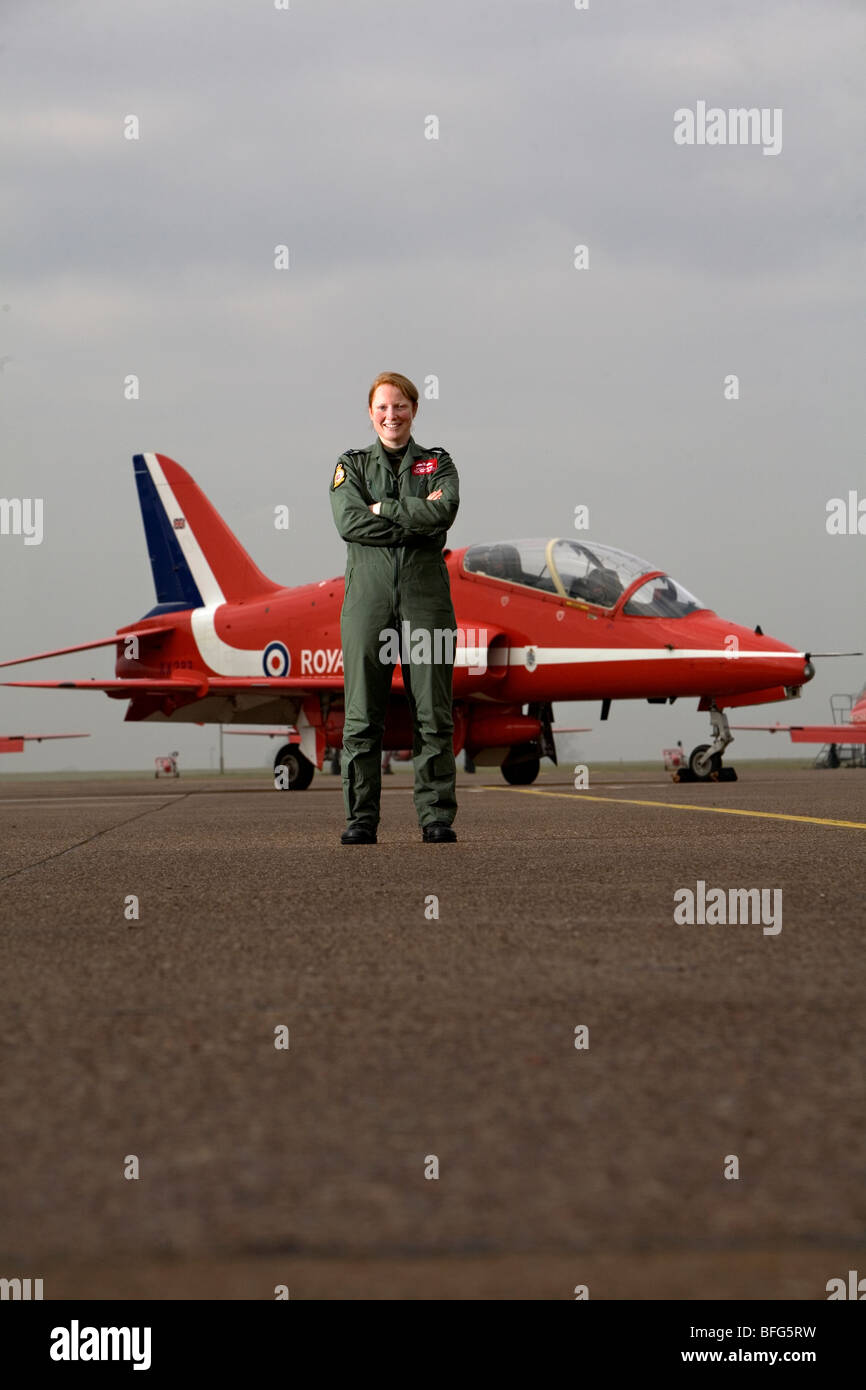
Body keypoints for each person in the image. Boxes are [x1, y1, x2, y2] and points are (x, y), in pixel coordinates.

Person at [329, 372, 460, 845]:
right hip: (368, 603)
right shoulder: (351, 465)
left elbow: (443, 513)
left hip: (427, 602)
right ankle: (361, 818)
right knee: (364, 716)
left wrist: (381, 509)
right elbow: (348, 521)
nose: (392, 415)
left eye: (400, 406)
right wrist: (412, 520)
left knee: (434, 713)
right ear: (370, 413)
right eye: (383, 407)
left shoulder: (437, 463)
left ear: (414, 410)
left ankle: (436, 817)